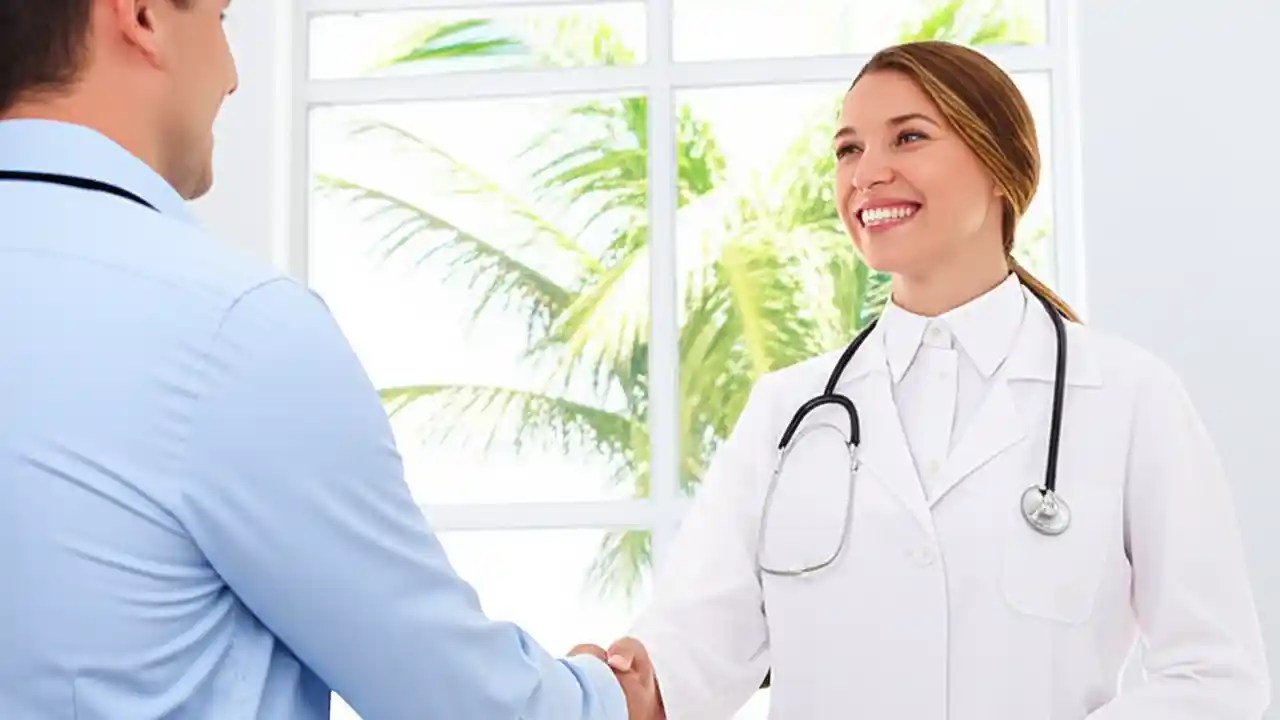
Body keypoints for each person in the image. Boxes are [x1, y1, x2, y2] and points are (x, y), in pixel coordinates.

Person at [572, 40, 1272, 718]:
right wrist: (614, 686)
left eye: (908, 138)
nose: (866, 174)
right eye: (849, 149)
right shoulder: (787, 412)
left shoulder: (1128, 398)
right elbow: (691, 657)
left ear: (999, 165)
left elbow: (1215, 676)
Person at [0, 1, 655, 718]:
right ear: (144, 15)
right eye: (221, 18)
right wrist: (609, 700)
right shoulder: (230, 327)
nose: (232, 75)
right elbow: (463, 703)